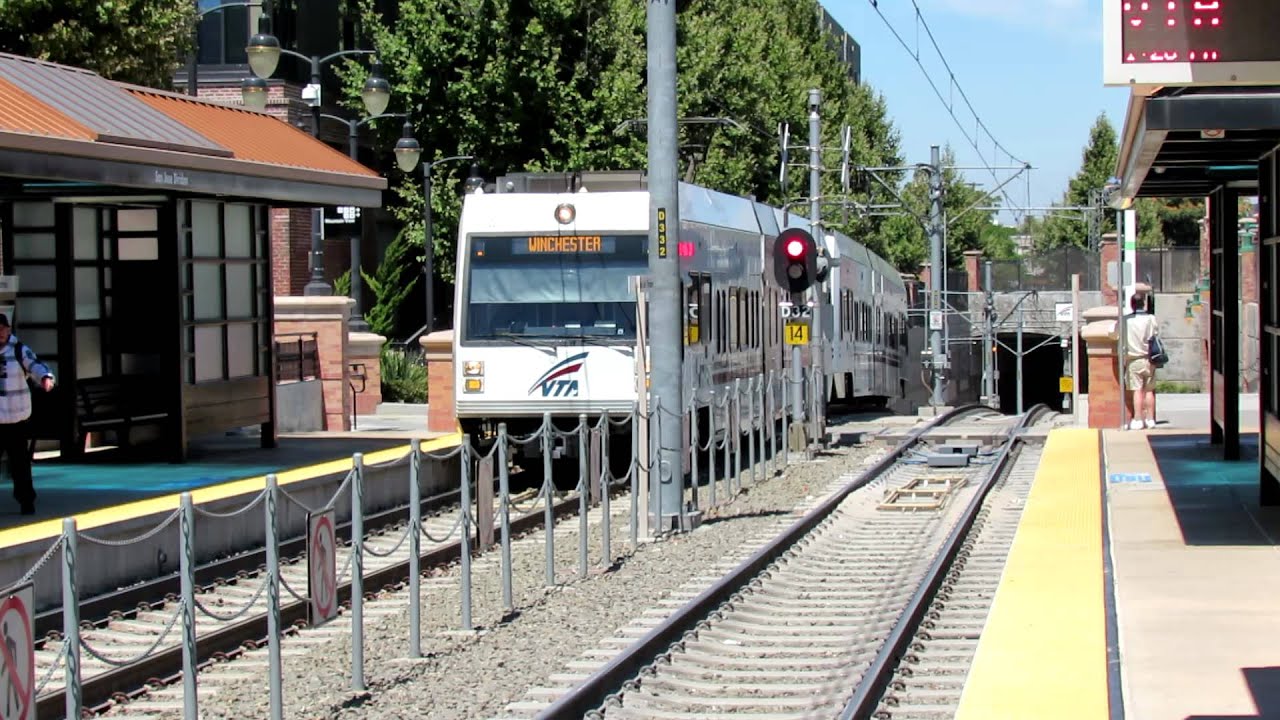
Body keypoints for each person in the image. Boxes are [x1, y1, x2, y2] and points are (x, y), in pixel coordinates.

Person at [0, 314, 54, 514]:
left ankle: (26, 500)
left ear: (8, 329)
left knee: (20, 464)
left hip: (16, 419)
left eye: (3, 329)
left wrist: (45, 378)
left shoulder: (18, 349)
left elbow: (36, 365)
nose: (0, 333)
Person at [1124, 293, 1158, 430]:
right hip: (1149, 359)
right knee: (1149, 390)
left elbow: (1113, 333)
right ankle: (1150, 419)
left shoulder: (1126, 320)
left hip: (1134, 359)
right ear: (1143, 304)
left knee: (1137, 390)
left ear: (1131, 304)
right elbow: (1155, 334)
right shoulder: (1151, 319)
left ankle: (1138, 419)